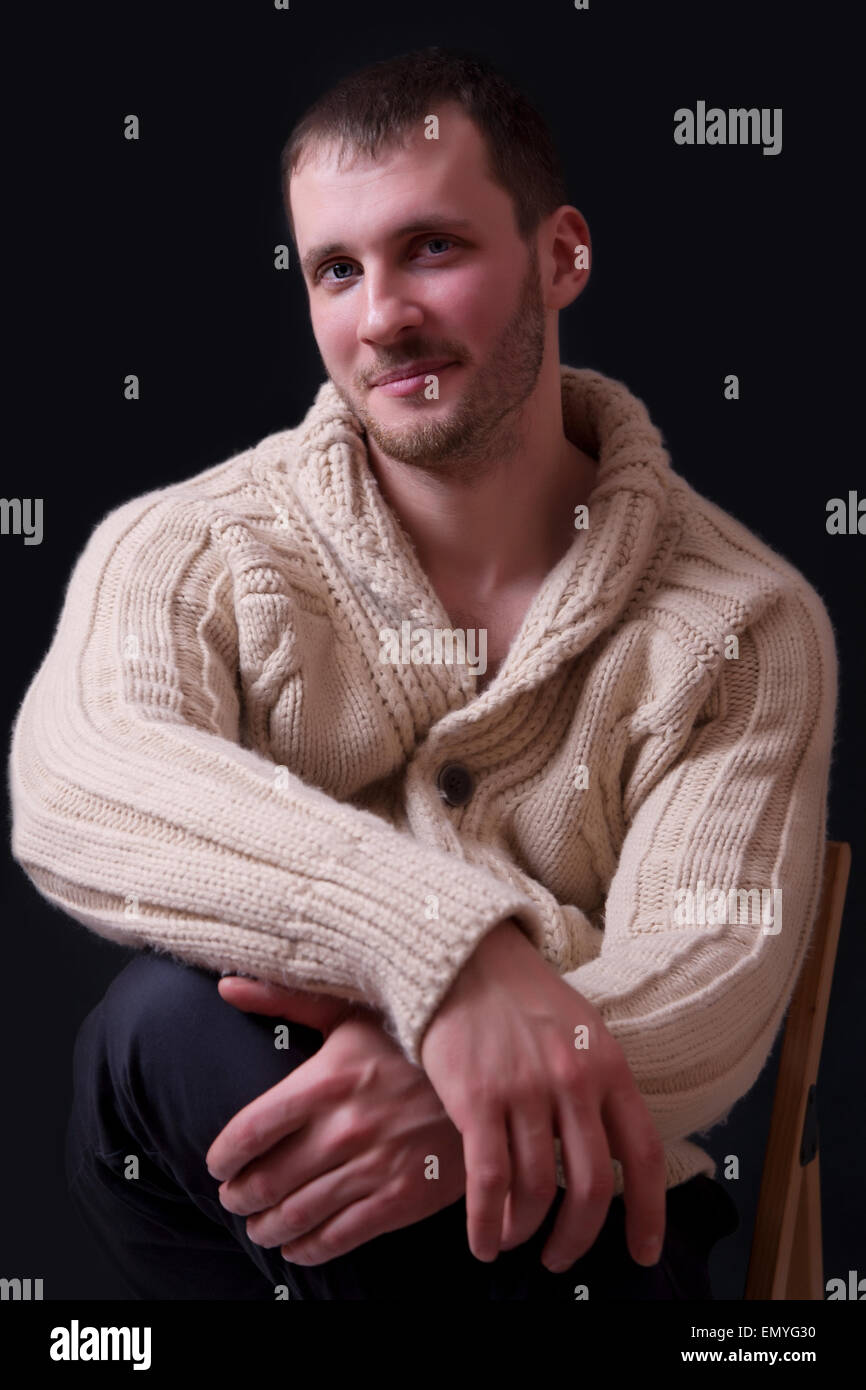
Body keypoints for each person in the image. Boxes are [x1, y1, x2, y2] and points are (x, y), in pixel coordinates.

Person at [9, 46, 836, 1300]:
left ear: (560, 256)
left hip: (577, 1224)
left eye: (431, 249)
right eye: (336, 269)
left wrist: (458, 1095)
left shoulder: (743, 623)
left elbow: (712, 978)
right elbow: (85, 777)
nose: (378, 314)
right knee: (160, 1026)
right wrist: (450, 960)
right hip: (240, 1196)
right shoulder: (190, 546)